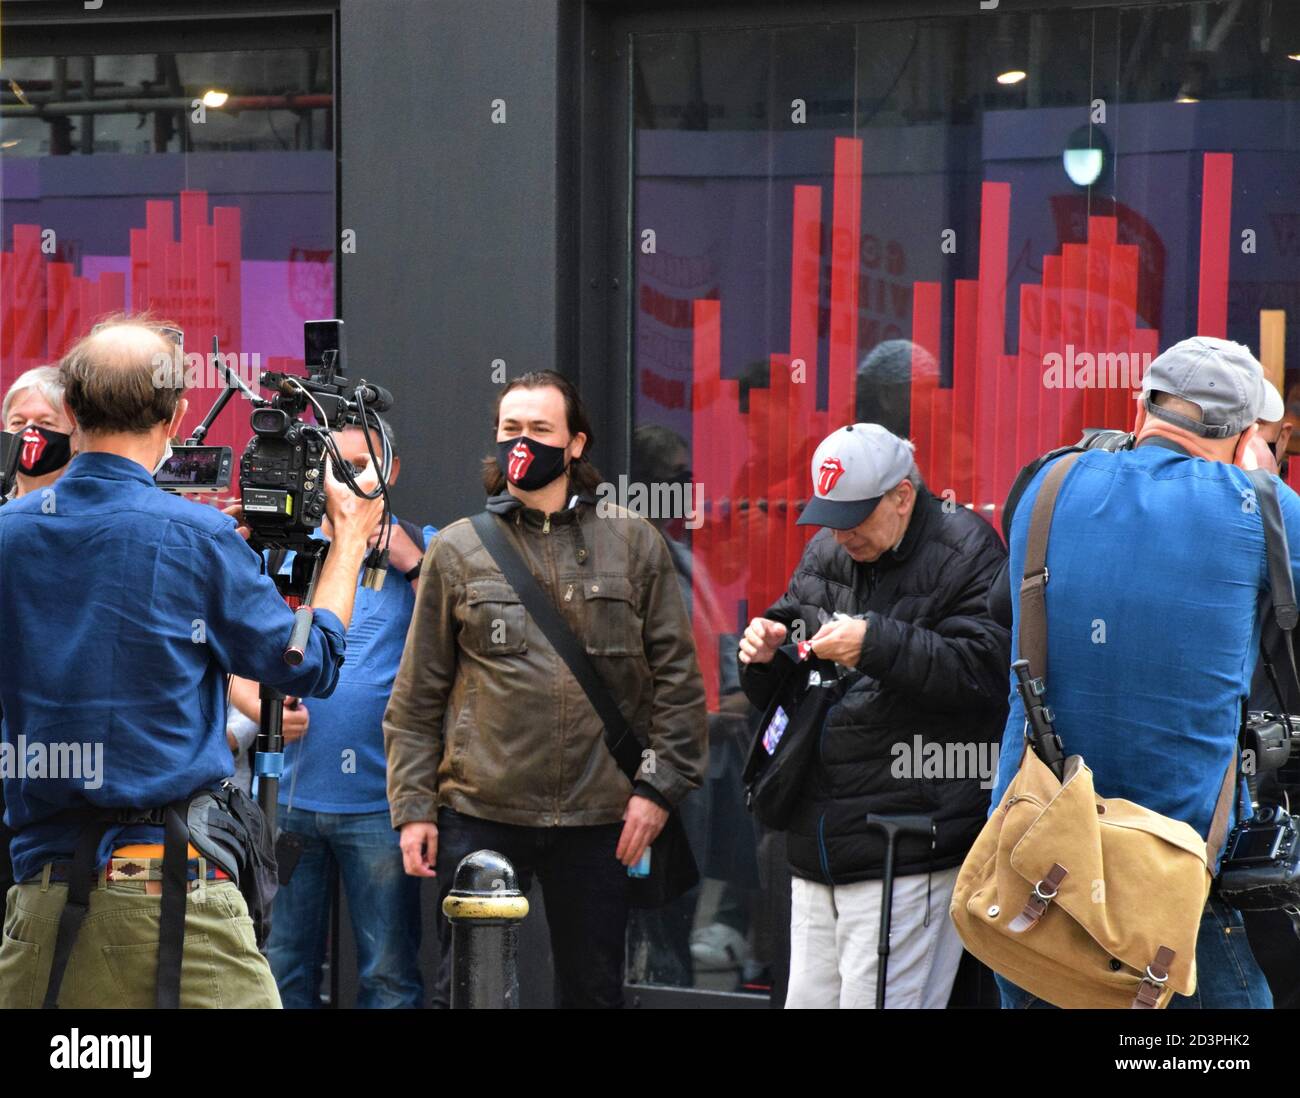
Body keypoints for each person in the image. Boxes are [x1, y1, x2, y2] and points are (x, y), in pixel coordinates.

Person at [0, 318, 384, 1008]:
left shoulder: (11, 534)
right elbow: (308, 663)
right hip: (171, 898)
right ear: (178, 414)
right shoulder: (196, 537)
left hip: (41, 903)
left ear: (72, 411)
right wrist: (350, 540)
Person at [383, 370, 708, 1008]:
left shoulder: (634, 542)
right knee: (469, 993)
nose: (521, 443)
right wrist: (414, 808)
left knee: (592, 991)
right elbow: (417, 696)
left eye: (539, 430)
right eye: (510, 430)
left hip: (600, 819)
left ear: (576, 444)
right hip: (480, 815)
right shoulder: (457, 549)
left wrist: (657, 791)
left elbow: (679, 684)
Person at [990, 335, 1290, 1010]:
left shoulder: (1047, 482)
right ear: (1244, 438)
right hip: (1163, 881)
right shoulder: (1257, 507)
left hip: (1034, 868)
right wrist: (1258, 480)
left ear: (1139, 411)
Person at [738, 422, 1010, 1009]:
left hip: (906, 838)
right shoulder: (828, 548)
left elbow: (985, 675)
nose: (840, 535)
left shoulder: (969, 549)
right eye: (830, 517)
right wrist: (764, 651)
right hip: (818, 835)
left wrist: (875, 644)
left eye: (854, 516)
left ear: (902, 497)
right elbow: (795, 650)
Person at [239, 417, 435, 1009]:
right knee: (282, 965)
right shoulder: (283, 551)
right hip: (286, 798)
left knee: (388, 973)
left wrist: (414, 561)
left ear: (392, 469)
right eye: (336, 465)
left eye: (363, 463)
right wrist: (252, 699)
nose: (349, 478)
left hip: (381, 802)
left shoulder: (422, 546)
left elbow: (459, 638)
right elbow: (227, 652)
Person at [0, 366, 79, 912]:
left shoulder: (90, 522)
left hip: (55, 766)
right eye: (17, 422)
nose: (30, 434)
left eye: (45, 423)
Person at [2, 364, 76, 501]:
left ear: (76, 436)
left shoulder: (92, 509)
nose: (29, 431)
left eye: (46, 422)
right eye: (18, 422)